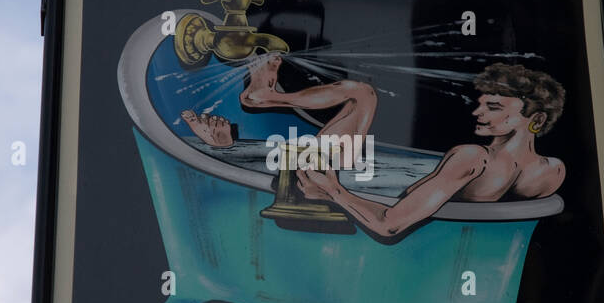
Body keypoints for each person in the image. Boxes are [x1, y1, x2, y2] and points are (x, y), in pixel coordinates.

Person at [182, 56, 566, 239]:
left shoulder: (475, 157)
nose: (478, 111)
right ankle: (257, 107)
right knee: (359, 96)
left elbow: (390, 224)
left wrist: (334, 192)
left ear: (535, 120)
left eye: (494, 107)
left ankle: (234, 137)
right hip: (370, 176)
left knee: (356, 99)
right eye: (481, 102)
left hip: (361, 186)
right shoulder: (547, 174)